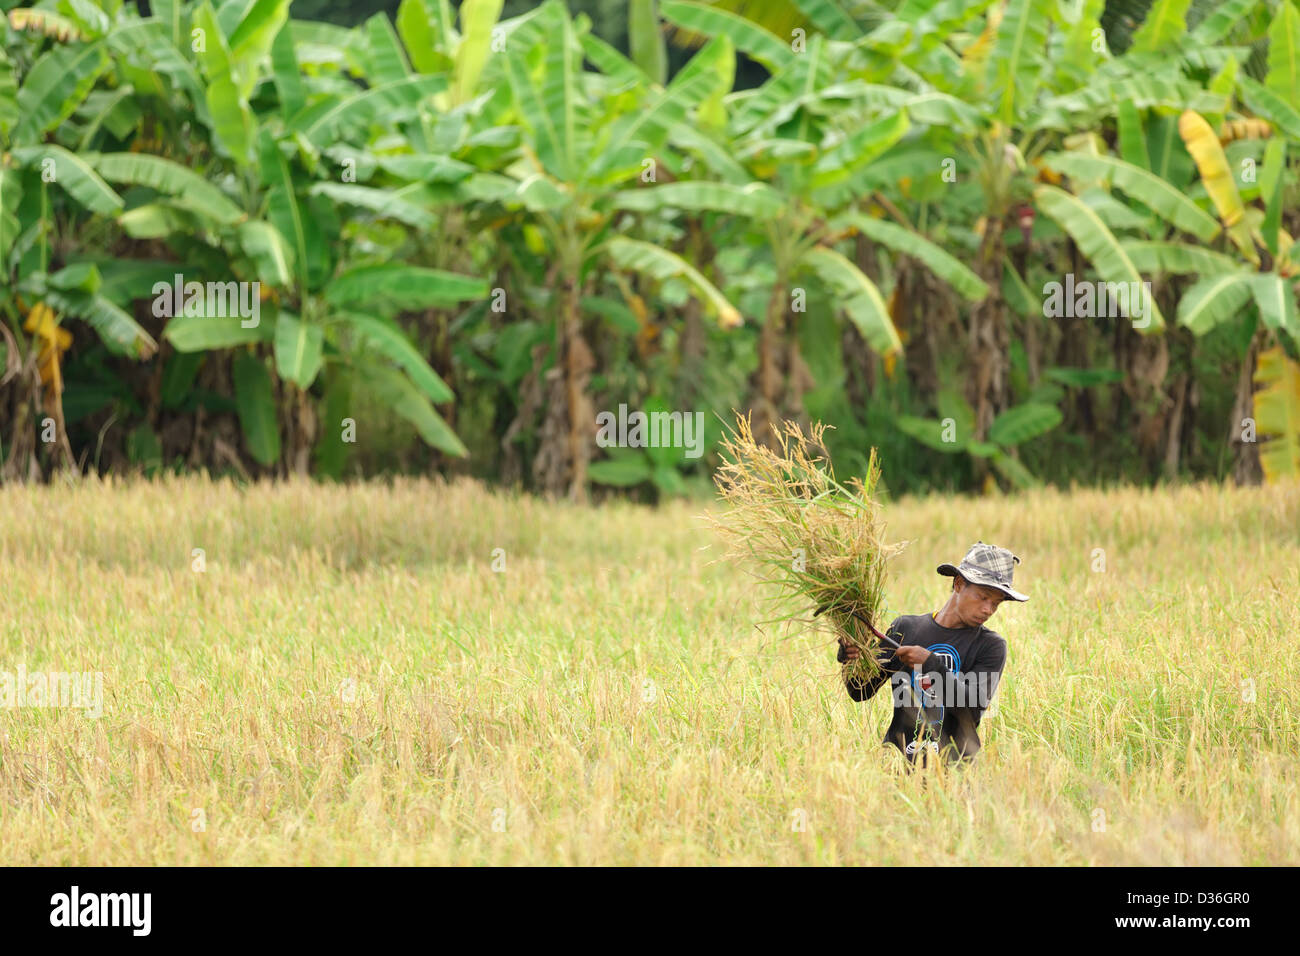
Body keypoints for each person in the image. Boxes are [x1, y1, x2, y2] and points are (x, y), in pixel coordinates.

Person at [835, 541, 1028, 768]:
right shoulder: (906, 628)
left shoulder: (990, 646)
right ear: (958, 584)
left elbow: (973, 712)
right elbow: (861, 691)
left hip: (955, 773)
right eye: (983, 597)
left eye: (995, 604)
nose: (988, 610)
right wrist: (851, 658)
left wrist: (931, 664)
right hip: (898, 768)